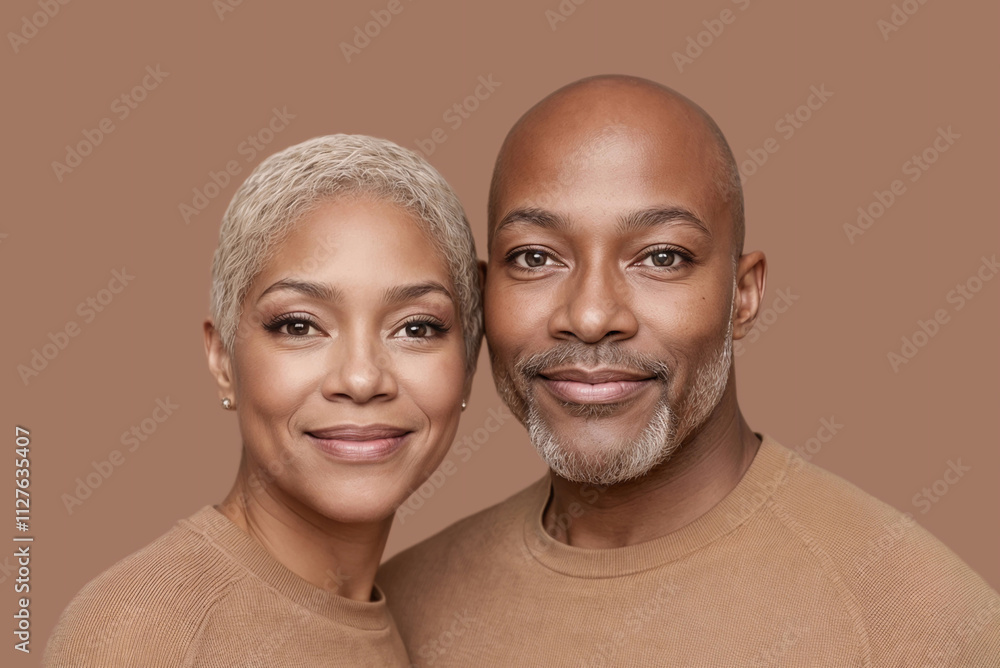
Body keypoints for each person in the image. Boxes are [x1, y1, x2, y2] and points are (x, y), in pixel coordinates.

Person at [378, 75, 1000, 666]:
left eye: (662, 257)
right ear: (482, 297)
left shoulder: (916, 619)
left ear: (743, 295)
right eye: (536, 258)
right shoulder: (398, 609)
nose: (590, 316)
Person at [44, 134, 483, 667]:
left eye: (416, 328)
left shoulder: (430, 622)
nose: (362, 378)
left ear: (469, 362)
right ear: (222, 360)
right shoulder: (139, 633)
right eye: (299, 325)